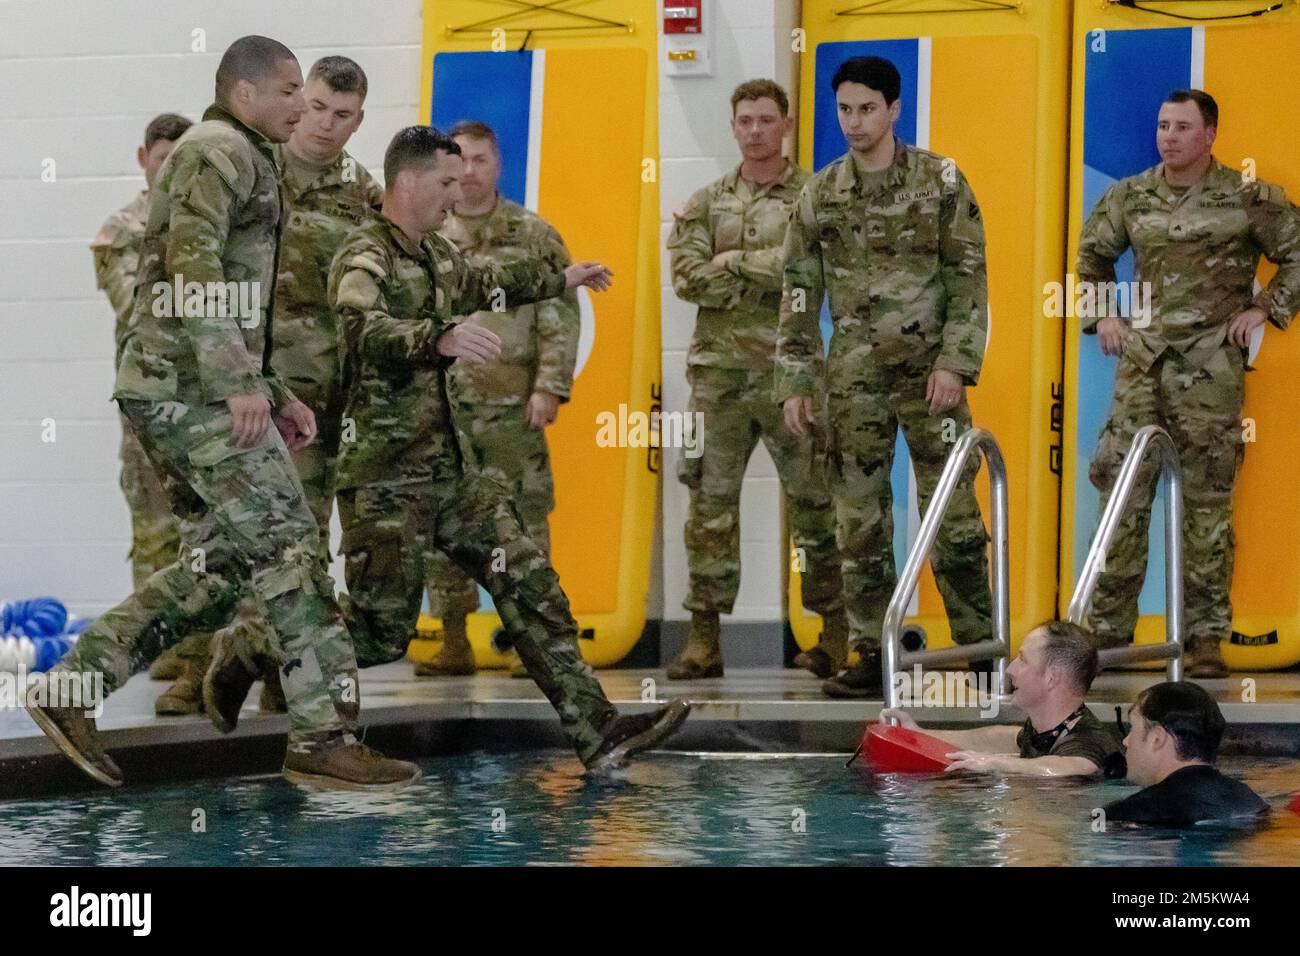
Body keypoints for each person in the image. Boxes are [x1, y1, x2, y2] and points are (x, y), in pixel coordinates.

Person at [29, 35, 418, 791]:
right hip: (185, 389)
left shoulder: (252, 154)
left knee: (221, 567)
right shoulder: (216, 148)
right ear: (244, 94)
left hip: (195, 386)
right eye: (288, 93)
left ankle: (70, 689)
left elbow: (246, 298)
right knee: (290, 543)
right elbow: (192, 265)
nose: (302, 106)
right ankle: (324, 733)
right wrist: (233, 383)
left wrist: (272, 391)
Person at [329, 126, 690, 772]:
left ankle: (597, 727)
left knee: (527, 578)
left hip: (453, 472)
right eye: (444, 182)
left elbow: (487, 281)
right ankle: (253, 648)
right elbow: (360, 329)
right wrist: (436, 339)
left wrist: (562, 278)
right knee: (378, 632)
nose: (456, 191)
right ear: (408, 183)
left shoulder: (434, 255)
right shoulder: (365, 256)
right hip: (387, 476)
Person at [777, 56, 993, 698]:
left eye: (866, 108)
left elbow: (968, 276)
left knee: (952, 516)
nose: (853, 121)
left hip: (932, 372)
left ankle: (980, 647)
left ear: (894, 110)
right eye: (843, 109)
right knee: (859, 523)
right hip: (853, 377)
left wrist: (956, 360)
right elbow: (797, 290)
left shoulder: (941, 179)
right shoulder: (821, 191)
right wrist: (794, 376)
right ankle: (872, 651)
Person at [1078, 89, 1300, 678]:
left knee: (1206, 507)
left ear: (1210, 135)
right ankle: (1106, 636)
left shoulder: (1247, 198)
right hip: (1142, 366)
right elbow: (1090, 257)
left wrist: (1267, 307)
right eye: (1161, 126)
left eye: (1181, 127)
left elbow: (1298, 252)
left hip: (1210, 369)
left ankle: (1204, 639)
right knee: (1121, 502)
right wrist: (1103, 315)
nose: (1168, 136)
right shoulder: (1130, 194)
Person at [200, 54, 385, 727]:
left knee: (313, 536)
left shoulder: (363, 192)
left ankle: (278, 670)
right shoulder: (255, 169)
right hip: (262, 392)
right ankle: (249, 658)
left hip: (333, 396)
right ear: (295, 100)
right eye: (315, 108)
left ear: (358, 119)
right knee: (280, 539)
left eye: (342, 115)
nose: (325, 126)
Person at [666, 79, 846, 680]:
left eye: (767, 120)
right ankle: (704, 638)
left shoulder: (813, 196)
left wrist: (735, 262)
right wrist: (766, 275)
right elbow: (688, 278)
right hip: (717, 378)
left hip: (790, 373)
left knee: (817, 504)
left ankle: (836, 634)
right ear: (734, 126)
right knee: (709, 506)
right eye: (745, 121)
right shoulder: (706, 202)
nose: (755, 131)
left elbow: (809, 269)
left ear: (786, 125)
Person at [418, 119, 579, 680]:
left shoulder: (533, 234)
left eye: (479, 159)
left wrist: (548, 385)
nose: (467, 171)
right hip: (446, 408)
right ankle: (454, 638)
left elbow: (560, 312)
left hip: (513, 407)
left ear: (498, 163)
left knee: (525, 524)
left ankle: (533, 642)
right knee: (446, 524)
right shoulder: (427, 235)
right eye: (457, 159)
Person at [91, 112, 219, 716]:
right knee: (152, 528)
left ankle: (198, 660)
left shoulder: (213, 222)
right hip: (149, 405)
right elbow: (135, 303)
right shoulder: (121, 230)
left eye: (180, 157)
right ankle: (166, 641)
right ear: (144, 158)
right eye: (161, 156)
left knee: (205, 533)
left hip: (205, 402)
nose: (169, 167)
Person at [881, 620, 1125, 778]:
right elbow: (1001, 737)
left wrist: (997, 764)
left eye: (1023, 660)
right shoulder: (1050, 729)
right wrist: (919, 735)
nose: (1010, 669)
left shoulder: (1086, 743)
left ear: (1052, 678)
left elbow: (1069, 767)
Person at [1105, 681, 1268, 827]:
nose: (1126, 741)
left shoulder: (1131, 813)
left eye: (1132, 728)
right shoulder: (1251, 801)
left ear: (1156, 738)